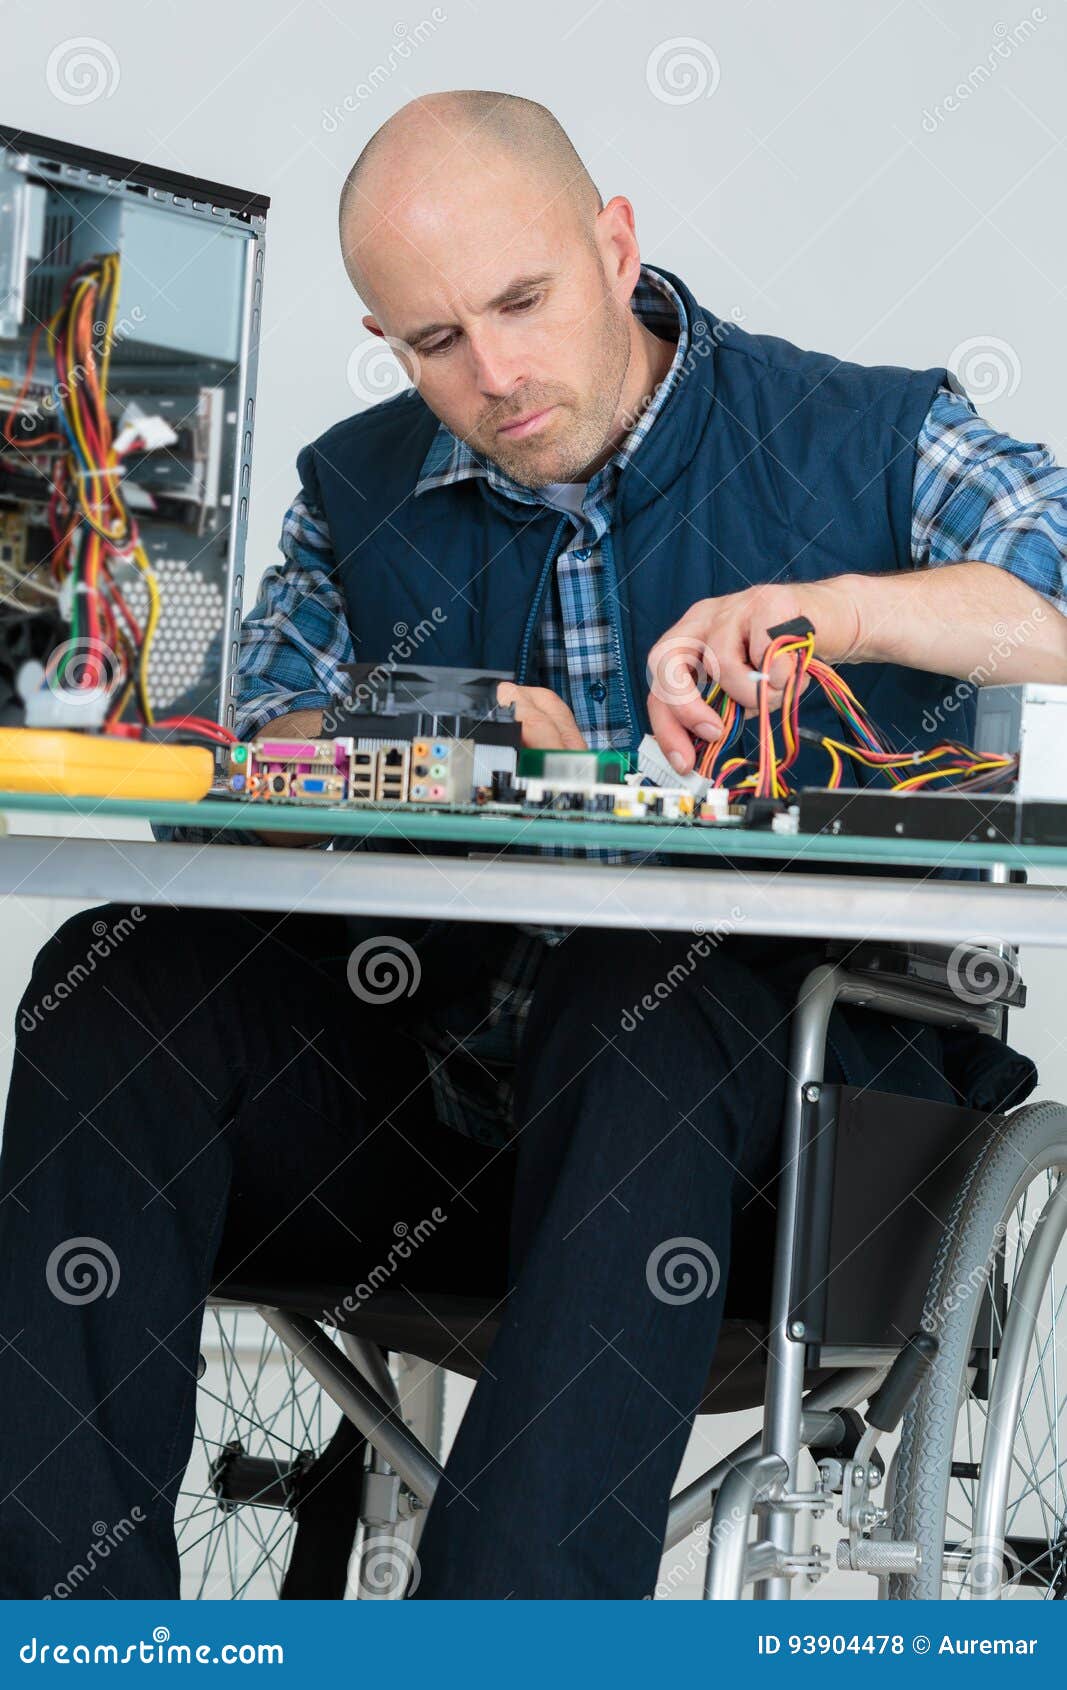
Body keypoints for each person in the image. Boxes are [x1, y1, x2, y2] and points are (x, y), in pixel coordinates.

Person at [0, 89, 1061, 1600]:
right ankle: (64, 1619)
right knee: (113, 988)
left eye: (522, 301)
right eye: (434, 342)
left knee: (642, 1001)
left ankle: (503, 1638)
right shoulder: (353, 496)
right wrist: (453, 732)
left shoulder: (866, 436)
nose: (493, 373)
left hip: (795, 1147)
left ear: (613, 245)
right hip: (446, 1113)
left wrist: (846, 609)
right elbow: (244, 754)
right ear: (386, 341)